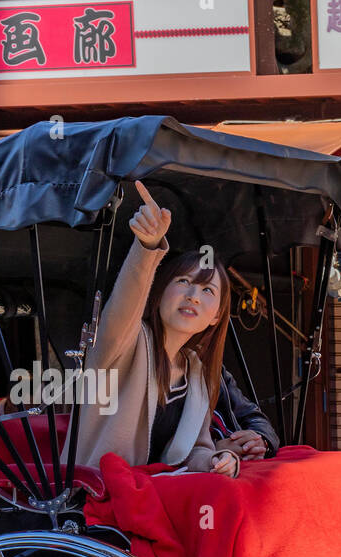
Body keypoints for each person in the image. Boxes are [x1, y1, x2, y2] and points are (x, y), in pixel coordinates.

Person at [69, 180, 241, 479]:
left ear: (216, 317)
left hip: (156, 491)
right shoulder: (126, 343)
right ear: (159, 294)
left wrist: (220, 459)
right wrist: (147, 247)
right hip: (99, 493)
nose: (193, 296)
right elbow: (125, 304)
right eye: (183, 282)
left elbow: (194, 451)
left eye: (207, 291)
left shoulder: (198, 373)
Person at [210, 370, 279, 462]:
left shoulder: (216, 370)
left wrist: (259, 440)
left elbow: (252, 415)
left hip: (241, 456)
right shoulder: (186, 375)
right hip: (205, 463)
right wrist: (214, 448)